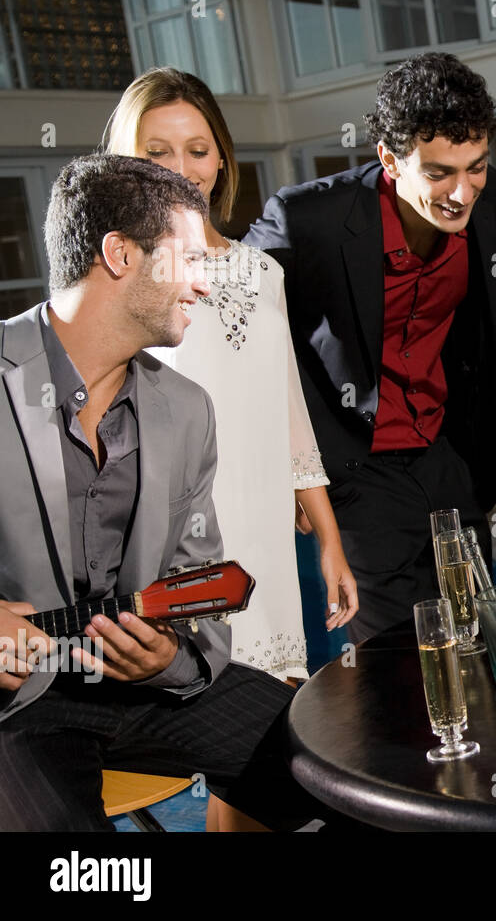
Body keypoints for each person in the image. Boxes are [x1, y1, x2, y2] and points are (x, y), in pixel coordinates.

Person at [0, 155, 322, 830]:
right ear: (119, 254)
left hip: (148, 687)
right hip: (17, 707)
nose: (206, 285)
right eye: (190, 261)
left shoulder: (186, 410)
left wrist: (171, 658)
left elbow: (195, 585)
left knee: (341, 772)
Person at [244, 53, 496, 643]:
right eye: (438, 174)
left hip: (443, 453)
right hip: (356, 468)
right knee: (398, 658)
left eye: (475, 167)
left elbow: (483, 309)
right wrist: (290, 473)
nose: (461, 192)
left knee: (479, 632)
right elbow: (238, 324)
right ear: (388, 159)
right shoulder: (310, 219)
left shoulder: (486, 197)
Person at [104, 68, 358, 685]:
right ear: (126, 164)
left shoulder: (264, 271)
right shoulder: (120, 277)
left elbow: (287, 410)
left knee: (280, 698)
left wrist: (328, 538)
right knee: (203, 703)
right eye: (155, 152)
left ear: (221, 159)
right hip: (175, 533)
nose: (179, 169)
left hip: (265, 527)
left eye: (197, 150)